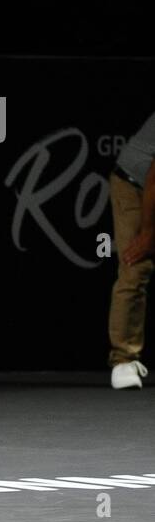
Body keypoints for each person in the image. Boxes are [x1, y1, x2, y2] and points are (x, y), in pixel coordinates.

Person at [111, 111, 155, 388]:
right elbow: (154, 179)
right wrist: (149, 232)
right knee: (136, 265)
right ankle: (122, 361)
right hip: (135, 184)